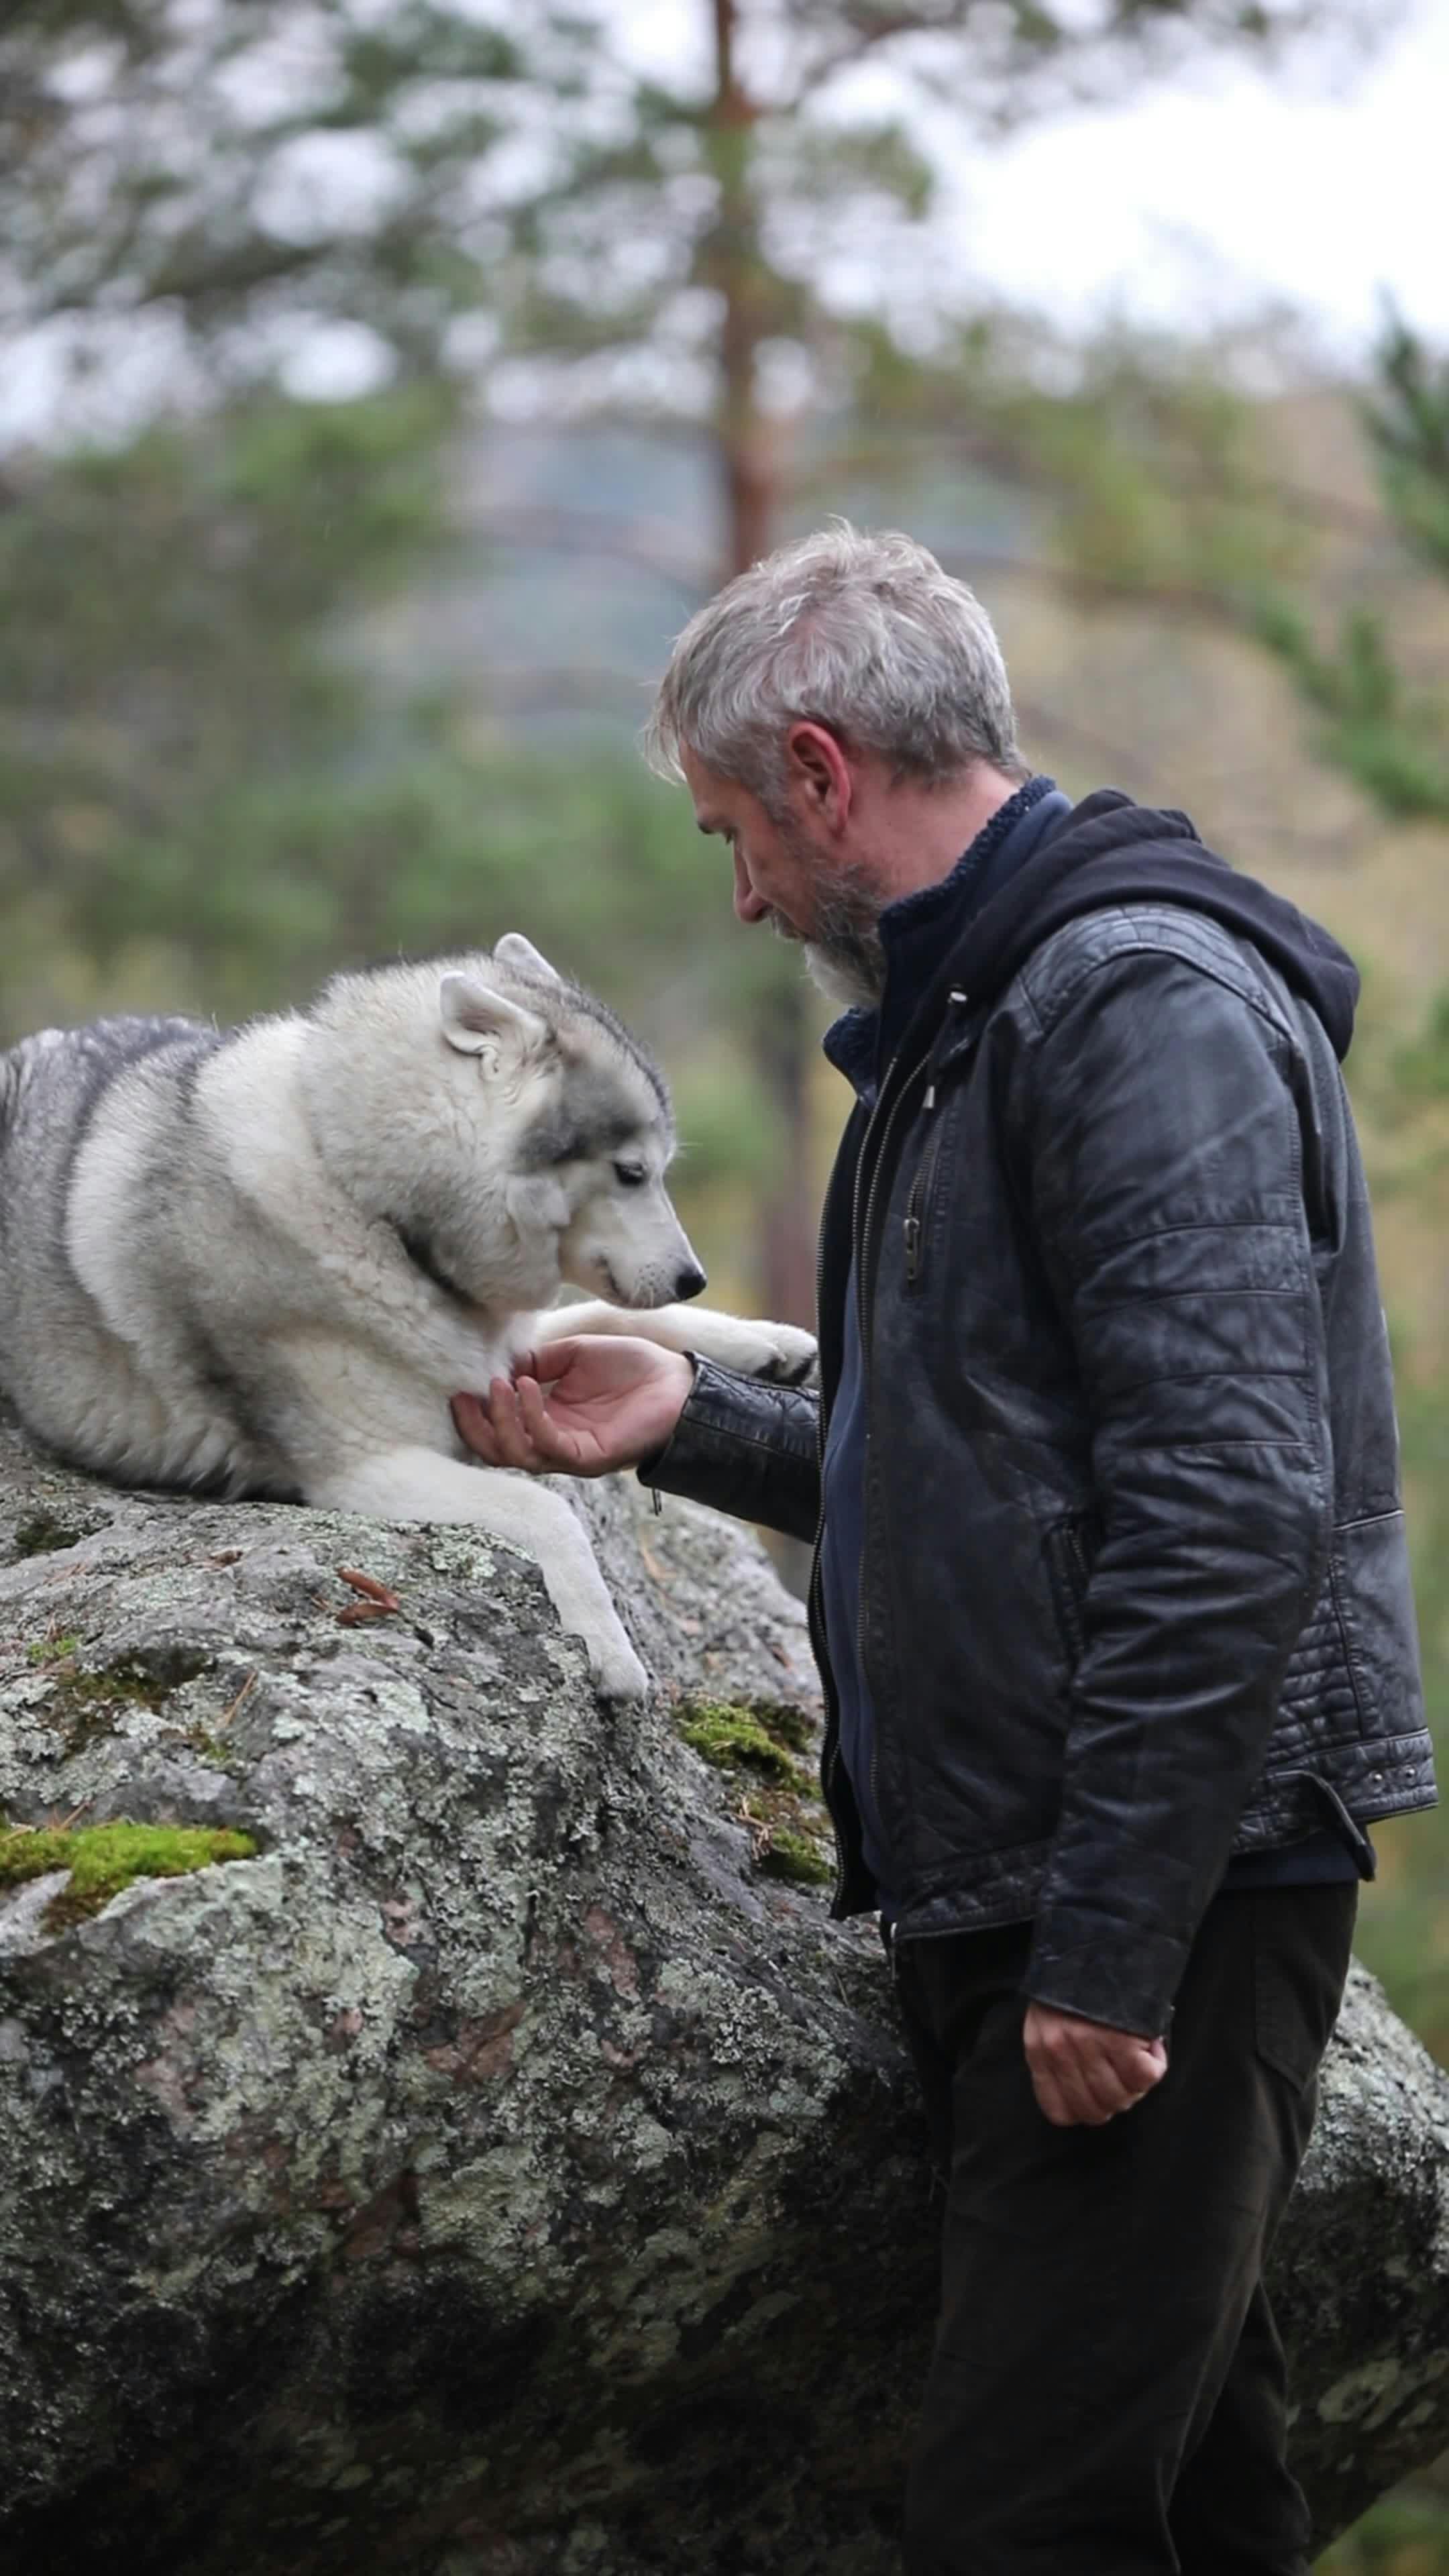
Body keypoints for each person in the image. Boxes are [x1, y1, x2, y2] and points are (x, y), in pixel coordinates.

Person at [452, 523, 1434, 2575]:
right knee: (1202, 2499)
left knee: (1025, 2522)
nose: (740, 891)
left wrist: (1107, 1944)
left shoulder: (1128, 1008)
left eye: (738, 831)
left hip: (1153, 1895)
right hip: (1059, 1884)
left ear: (823, 772)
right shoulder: (963, 1022)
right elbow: (1004, 1483)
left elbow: (1228, 1499)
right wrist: (691, 1420)